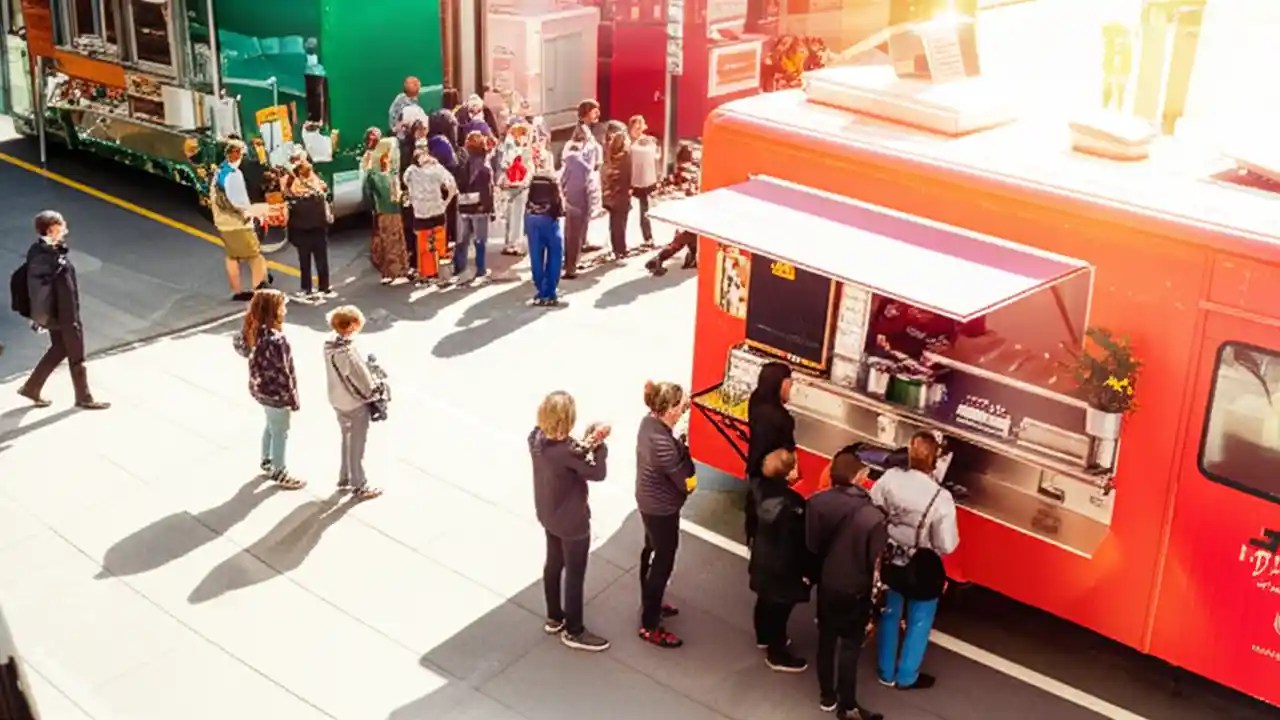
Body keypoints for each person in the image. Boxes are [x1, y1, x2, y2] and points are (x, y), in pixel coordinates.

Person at [870, 432, 959, 691]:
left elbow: (874, 506)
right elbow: (947, 544)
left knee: (889, 613)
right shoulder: (940, 498)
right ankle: (906, 675)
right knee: (920, 619)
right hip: (921, 564)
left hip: (891, 556)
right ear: (935, 460)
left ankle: (885, 672)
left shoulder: (890, 478)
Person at [808, 449, 888, 720]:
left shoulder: (817, 503)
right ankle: (848, 705)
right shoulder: (872, 516)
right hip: (855, 589)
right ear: (859, 476)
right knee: (850, 646)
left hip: (828, 583)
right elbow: (875, 564)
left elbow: (812, 545)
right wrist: (876, 602)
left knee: (826, 640)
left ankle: (826, 696)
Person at [529, 390, 612, 652]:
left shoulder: (536, 438)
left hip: (548, 512)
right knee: (575, 574)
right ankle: (574, 630)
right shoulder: (566, 452)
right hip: (572, 521)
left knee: (553, 563)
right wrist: (599, 446)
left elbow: (569, 454)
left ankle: (555, 615)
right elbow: (596, 472)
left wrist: (583, 444)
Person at [16, 211, 109, 410]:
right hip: (65, 317)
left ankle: (31, 387)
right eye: (61, 226)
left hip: (56, 315)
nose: (65, 228)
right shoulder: (49, 259)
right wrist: (70, 322)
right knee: (77, 356)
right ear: (51, 229)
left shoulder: (40, 251)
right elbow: (57, 292)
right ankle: (84, 397)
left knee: (60, 348)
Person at [635, 380, 696, 648]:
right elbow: (686, 482)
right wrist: (686, 453)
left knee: (650, 549)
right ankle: (650, 623)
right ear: (670, 409)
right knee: (663, 560)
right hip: (662, 510)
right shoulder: (664, 446)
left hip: (648, 503)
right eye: (682, 404)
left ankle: (650, 599)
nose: (685, 406)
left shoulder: (648, 423)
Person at [748, 448, 813, 673]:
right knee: (780, 608)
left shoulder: (758, 489)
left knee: (765, 601)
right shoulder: (793, 505)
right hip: (784, 567)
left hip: (763, 557)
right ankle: (776, 653)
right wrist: (805, 572)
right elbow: (797, 543)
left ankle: (763, 637)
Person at [234, 289, 305, 490]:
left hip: (260, 389)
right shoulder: (276, 339)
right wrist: (292, 399)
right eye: (282, 306)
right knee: (281, 431)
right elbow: (283, 372)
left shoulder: (252, 330)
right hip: (276, 393)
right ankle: (280, 470)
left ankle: (267, 460)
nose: (285, 310)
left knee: (271, 426)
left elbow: (242, 349)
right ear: (274, 309)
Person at [324, 305, 383, 501]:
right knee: (357, 444)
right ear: (351, 326)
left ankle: (345, 478)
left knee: (346, 438)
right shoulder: (347, 353)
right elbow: (361, 382)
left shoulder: (330, 345)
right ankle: (360, 485)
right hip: (354, 404)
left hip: (337, 399)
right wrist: (374, 394)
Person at [745, 362, 797, 544]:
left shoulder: (755, 400)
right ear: (780, 385)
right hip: (771, 479)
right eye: (789, 384)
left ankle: (752, 538)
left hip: (754, 468)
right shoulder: (782, 419)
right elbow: (789, 449)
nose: (791, 389)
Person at [211, 140, 268, 301]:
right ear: (236, 154)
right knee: (255, 257)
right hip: (238, 224)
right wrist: (253, 213)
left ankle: (237, 290)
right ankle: (260, 290)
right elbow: (239, 202)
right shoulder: (234, 175)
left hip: (222, 222)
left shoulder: (219, 172)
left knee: (232, 256)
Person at [403, 149, 458, 284]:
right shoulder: (437, 168)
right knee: (439, 243)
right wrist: (446, 202)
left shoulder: (410, 171)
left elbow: (405, 184)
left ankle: (427, 274)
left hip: (420, 213)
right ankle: (441, 274)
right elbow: (452, 186)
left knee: (424, 246)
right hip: (437, 211)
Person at [646, 143, 701, 276]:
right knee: (682, 239)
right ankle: (658, 259)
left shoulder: (678, 172)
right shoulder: (695, 172)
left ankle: (691, 259)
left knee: (689, 237)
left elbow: (666, 184)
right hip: (693, 211)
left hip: (683, 211)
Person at [285, 161, 334, 303]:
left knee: (304, 261)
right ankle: (324, 286)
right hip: (319, 229)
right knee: (322, 259)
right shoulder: (319, 188)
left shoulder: (295, 193)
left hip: (302, 232)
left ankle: (306, 288)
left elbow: (288, 202)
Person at [524, 154, 566, 307]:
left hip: (532, 219)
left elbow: (529, 199)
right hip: (548, 220)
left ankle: (541, 291)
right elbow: (558, 203)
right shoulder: (552, 180)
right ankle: (551, 292)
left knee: (536, 256)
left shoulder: (534, 180)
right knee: (555, 254)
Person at [559, 127, 601, 279]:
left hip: (571, 202)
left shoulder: (569, 163)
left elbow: (561, 182)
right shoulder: (585, 166)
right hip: (583, 202)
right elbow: (591, 184)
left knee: (569, 235)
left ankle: (568, 265)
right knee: (576, 237)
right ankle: (571, 266)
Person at [454, 131, 495, 283]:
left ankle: (459, 268)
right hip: (479, 207)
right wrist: (490, 209)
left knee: (463, 239)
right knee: (480, 240)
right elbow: (488, 191)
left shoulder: (463, 163)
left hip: (464, 205)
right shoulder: (485, 166)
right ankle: (480, 270)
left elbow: (459, 183)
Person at [363, 152, 411, 284]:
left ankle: (392, 271)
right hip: (391, 212)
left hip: (385, 213)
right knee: (394, 242)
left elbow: (368, 188)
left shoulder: (380, 176)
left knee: (389, 242)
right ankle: (397, 270)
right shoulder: (387, 177)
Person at [497, 122, 533, 256]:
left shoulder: (518, 151)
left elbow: (527, 169)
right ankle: (512, 243)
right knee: (513, 216)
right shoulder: (518, 151)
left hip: (515, 187)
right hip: (516, 186)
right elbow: (528, 169)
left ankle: (513, 243)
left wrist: (521, 182)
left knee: (514, 216)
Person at [627, 115, 662, 248]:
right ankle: (619, 244)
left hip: (645, 180)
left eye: (640, 127)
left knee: (644, 210)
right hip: (629, 180)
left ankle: (648, 238)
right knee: (622, 213)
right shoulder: (626, 142)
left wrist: (657, 178)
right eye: (636, 127)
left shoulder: (648, 141)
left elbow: (656, 158)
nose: (638, 130)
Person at [601, 121, 633, 261]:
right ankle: (621, 249)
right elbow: (628, 174)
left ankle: (617, 248)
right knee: (620, 222)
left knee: (614, 221)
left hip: (610, 191)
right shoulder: (625, 153)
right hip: (621, 191)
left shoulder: (607, 149)